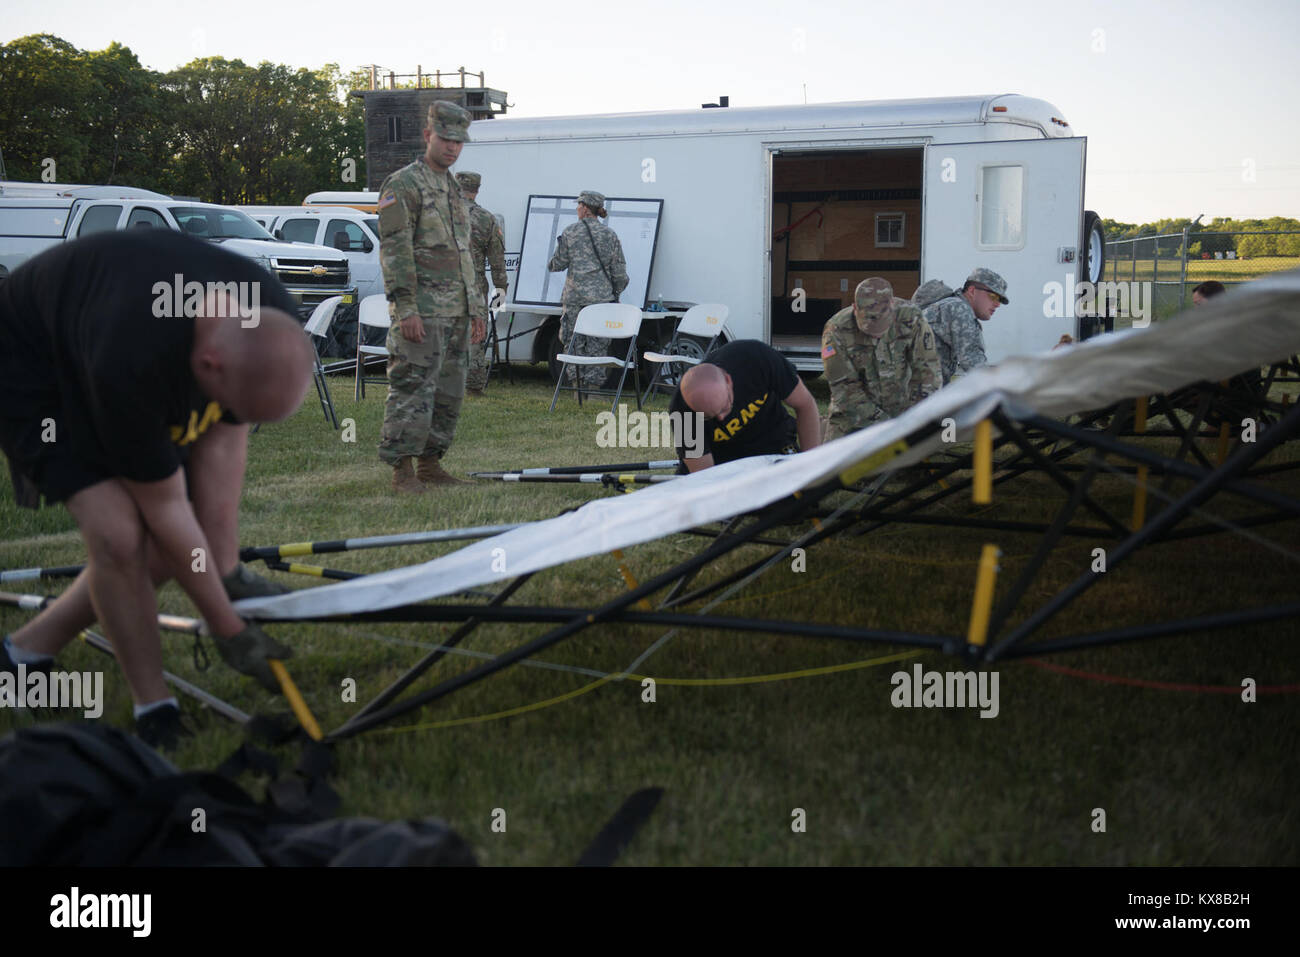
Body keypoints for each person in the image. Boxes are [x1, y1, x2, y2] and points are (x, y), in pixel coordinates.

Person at [0, 230, 314, 748]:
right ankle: (155, 709)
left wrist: (225, 566)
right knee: (119, 536)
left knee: (176, 554)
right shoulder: (129, 356)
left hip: (116, 329)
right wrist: (227, 627)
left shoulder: (267, 309)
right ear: (209, 367)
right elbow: (166, 509)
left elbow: (223, 442)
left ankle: (22, 655)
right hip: (31, 362)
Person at [376, 101, 487, 494]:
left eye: (459, 141)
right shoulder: (402, 184)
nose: (452, 148)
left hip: (456, 312)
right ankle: (402, 471)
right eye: (445, 139)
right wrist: (406, 307)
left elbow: (463, 252)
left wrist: (475, 307)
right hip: (421, 311)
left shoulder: (454, 189)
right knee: (413, 389)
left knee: (448, 393)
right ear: (428, 136)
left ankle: (430, 464)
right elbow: (395, 249)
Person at [668, 340, 821, 472]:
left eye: (724, 407)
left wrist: (810, 468)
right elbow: (705, 478)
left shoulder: (756, 358)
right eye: (709, 416)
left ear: (728, 381)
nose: (721, 418)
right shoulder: (682, 412)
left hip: (774, 440)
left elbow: (805, 404)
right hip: (723, 461)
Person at [821, 278, 941, 441]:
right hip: (852, 422)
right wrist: (889, 427)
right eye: (868, 330)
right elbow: (845, 393)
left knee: (902, 465)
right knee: (839, 466)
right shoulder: (836, 331)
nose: (876, 335)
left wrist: (913, 420)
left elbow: (928, 374)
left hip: (901, 417)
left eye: (882, 327)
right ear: (854, 308)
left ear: (892, 304)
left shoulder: (911, 318)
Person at [547, 190, 629, 391]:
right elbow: (619, 272)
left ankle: (576, 386)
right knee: (598, 344)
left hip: (574, 299)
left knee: (573, 342)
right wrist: (615, 292)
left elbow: (556, 265)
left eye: (578, 205)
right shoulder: (610, 235)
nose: (577, 208)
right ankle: (592, 389)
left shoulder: (570, 232)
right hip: (601, 301)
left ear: (584, 208)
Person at [455, 170, 509, 395]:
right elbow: (497, 263)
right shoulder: (487, 219)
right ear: (477, 190)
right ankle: (473, 386)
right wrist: (500, 297)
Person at [920, 267, 1009, 384]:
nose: (997, 304)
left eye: (1000, 300)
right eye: (993, 297)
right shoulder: (959, 309)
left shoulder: (950, 305)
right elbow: (974, 361)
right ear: (972, 291)